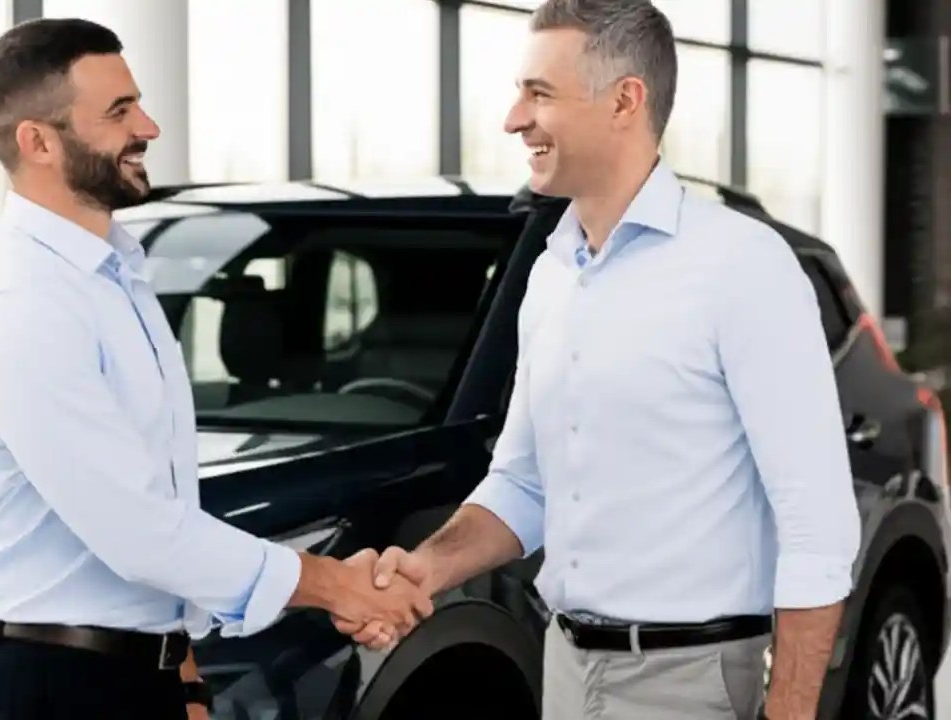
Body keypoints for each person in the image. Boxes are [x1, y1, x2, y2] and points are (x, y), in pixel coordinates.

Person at [339, 1, 861, 718]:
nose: (513, 118)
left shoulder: (741, 265)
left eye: (539, 93)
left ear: (625, 100)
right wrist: (425, 567)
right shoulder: (553, 273)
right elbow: (523, 484)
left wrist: (791, 710)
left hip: (693, 684)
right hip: (565, 669)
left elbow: (819, 527)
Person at [0, 18, 431, 720]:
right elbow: (135, 531)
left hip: (129, 675)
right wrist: (337, 586)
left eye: (138, 102)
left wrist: (185, 678)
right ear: (37, 142)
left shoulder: (114, 276)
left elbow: (157, 517)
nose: (150, 126)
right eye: (119, 112)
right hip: (45, 689)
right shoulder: (24, 299)